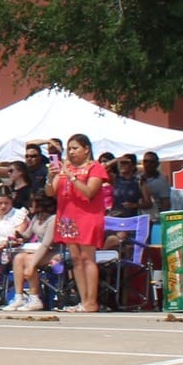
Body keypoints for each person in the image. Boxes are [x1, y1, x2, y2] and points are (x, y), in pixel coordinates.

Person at [48, 134, 108, 313]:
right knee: (75, 259)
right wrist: (52, 176)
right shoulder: (65, 168)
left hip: (88, 216)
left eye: (75, 148)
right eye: (69, 149)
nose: (71, 152)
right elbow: (51, 192)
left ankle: (91, 301)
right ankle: (83, 301)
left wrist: (72, 177)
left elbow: (90, 192)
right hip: (68, 217)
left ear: (86, 149)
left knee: (87, 258)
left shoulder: (95, 168)